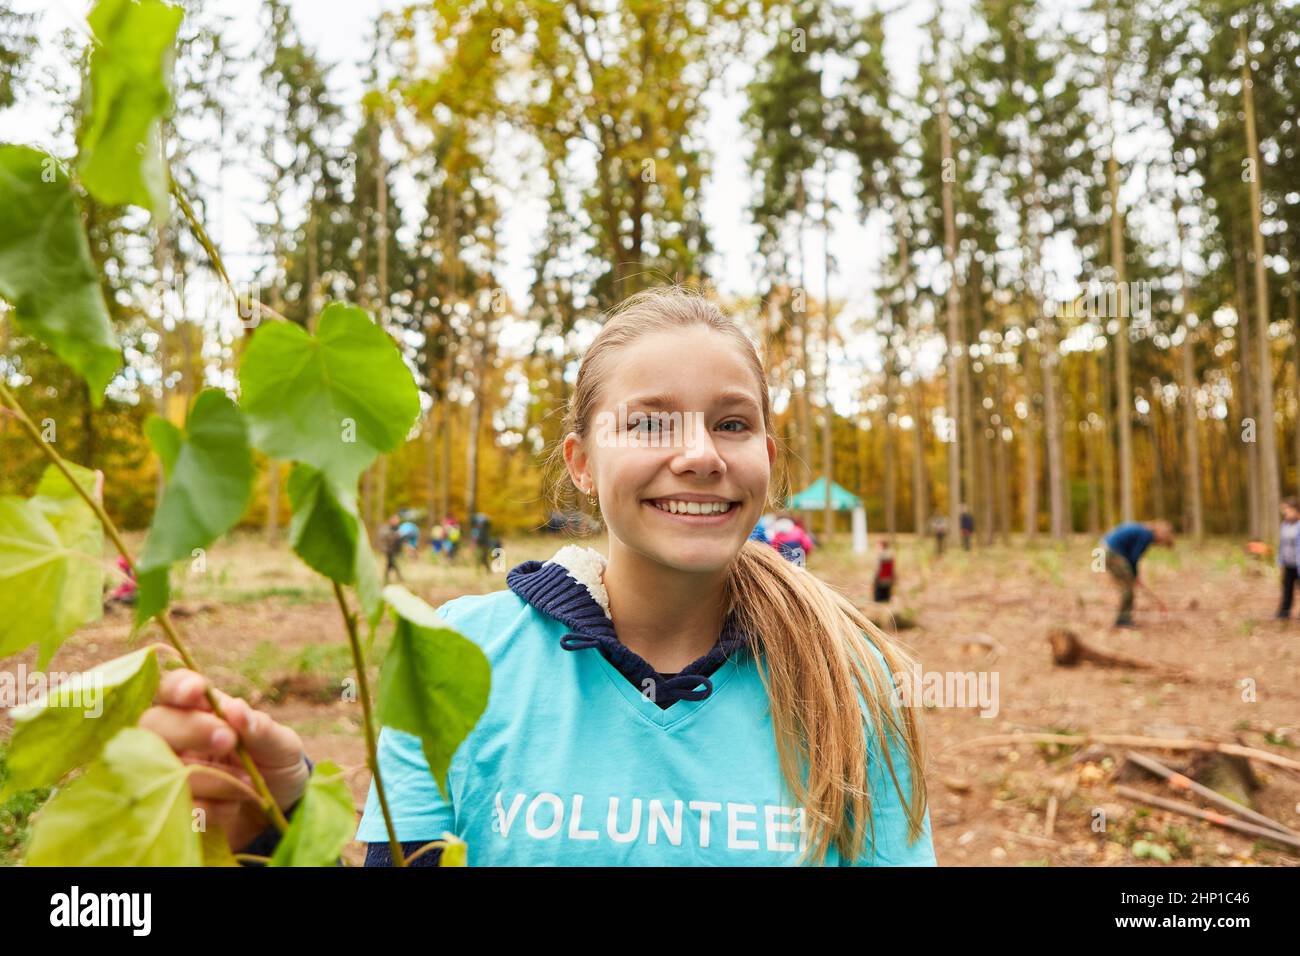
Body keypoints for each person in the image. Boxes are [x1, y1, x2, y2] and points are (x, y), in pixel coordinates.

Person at [139, 286, 935, 867]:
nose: (699, 454)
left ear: (768, 455)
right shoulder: (454, 655)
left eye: (733, 422)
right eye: (651, 421)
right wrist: (281, 816)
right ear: (582, 464)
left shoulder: (851, 683)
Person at [1101, 519, 1174, 627]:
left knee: (1127, 586)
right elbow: (1134, 558)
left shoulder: (1143, 530)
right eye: (1161, 543)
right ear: (1161, 535)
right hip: (1112, 553)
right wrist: (1134, 574)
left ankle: (1123, 619)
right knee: (1128, 589)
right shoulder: (1147, 536)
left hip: (1104, 550)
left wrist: (1133, 574)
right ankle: (1123, 621)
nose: (1158, 545)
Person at [1277, 497, 1300, 620]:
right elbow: (1281, 545)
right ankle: (1284, 611)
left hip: (1298, 564)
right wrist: (1280, 561)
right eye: (1284, 509)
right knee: (1287, 588)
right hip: (1288, 563)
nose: (1285, 512)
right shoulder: (1284, 526)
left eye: (1288, 509)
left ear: (1296, 510)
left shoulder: (1299, 526)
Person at [381, 514, 405, 583]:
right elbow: (387, 538)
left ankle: (386, 578)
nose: (396, 521)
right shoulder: (388, 528)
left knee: (390, 565)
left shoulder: (399, 528)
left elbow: (401, 539)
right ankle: (399, 577)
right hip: (389, 550)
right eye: (395, 519)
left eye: (397, 520)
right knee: (393, 563)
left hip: (396, 550)